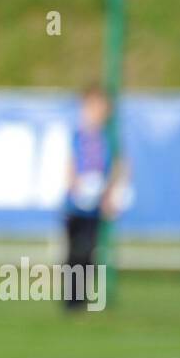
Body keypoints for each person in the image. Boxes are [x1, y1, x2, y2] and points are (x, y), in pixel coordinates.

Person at [62, 84, 125, 310]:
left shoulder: (108, 138)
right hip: (74, 203)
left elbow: (118, 166)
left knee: (89, 252)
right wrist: (74, 185)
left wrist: (109, 194)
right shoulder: (77, 135)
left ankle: (81, 299)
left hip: (96, 204)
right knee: (74, 253)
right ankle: (70, 301)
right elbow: (70, 163)